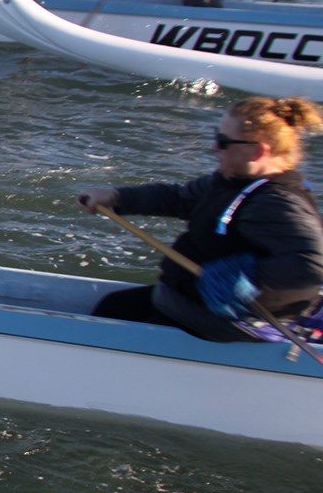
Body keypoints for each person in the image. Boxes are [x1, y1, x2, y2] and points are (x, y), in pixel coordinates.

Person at [77, 97, 323, 342]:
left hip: (226, 322)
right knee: (115, 306)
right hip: (182, 305)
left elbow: (313, 263)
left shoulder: (276, 203)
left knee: (113, 323)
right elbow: (180, 198)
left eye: (224, 141)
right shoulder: (232, 181)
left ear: (258, 151)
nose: (215, 147)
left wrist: (249, 275)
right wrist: (116, 197)